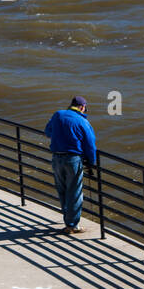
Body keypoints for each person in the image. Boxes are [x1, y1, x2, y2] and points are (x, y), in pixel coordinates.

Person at [43, 96, 97, 235]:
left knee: (62, 190)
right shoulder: (83, 121)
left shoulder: (58, 114)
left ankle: (68, 221)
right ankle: (72, 225)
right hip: (73, 159)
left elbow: (48, 131)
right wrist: (92, 162)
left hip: (56, 157)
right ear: (82, 107)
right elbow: (90, 144)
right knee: (75, 192)